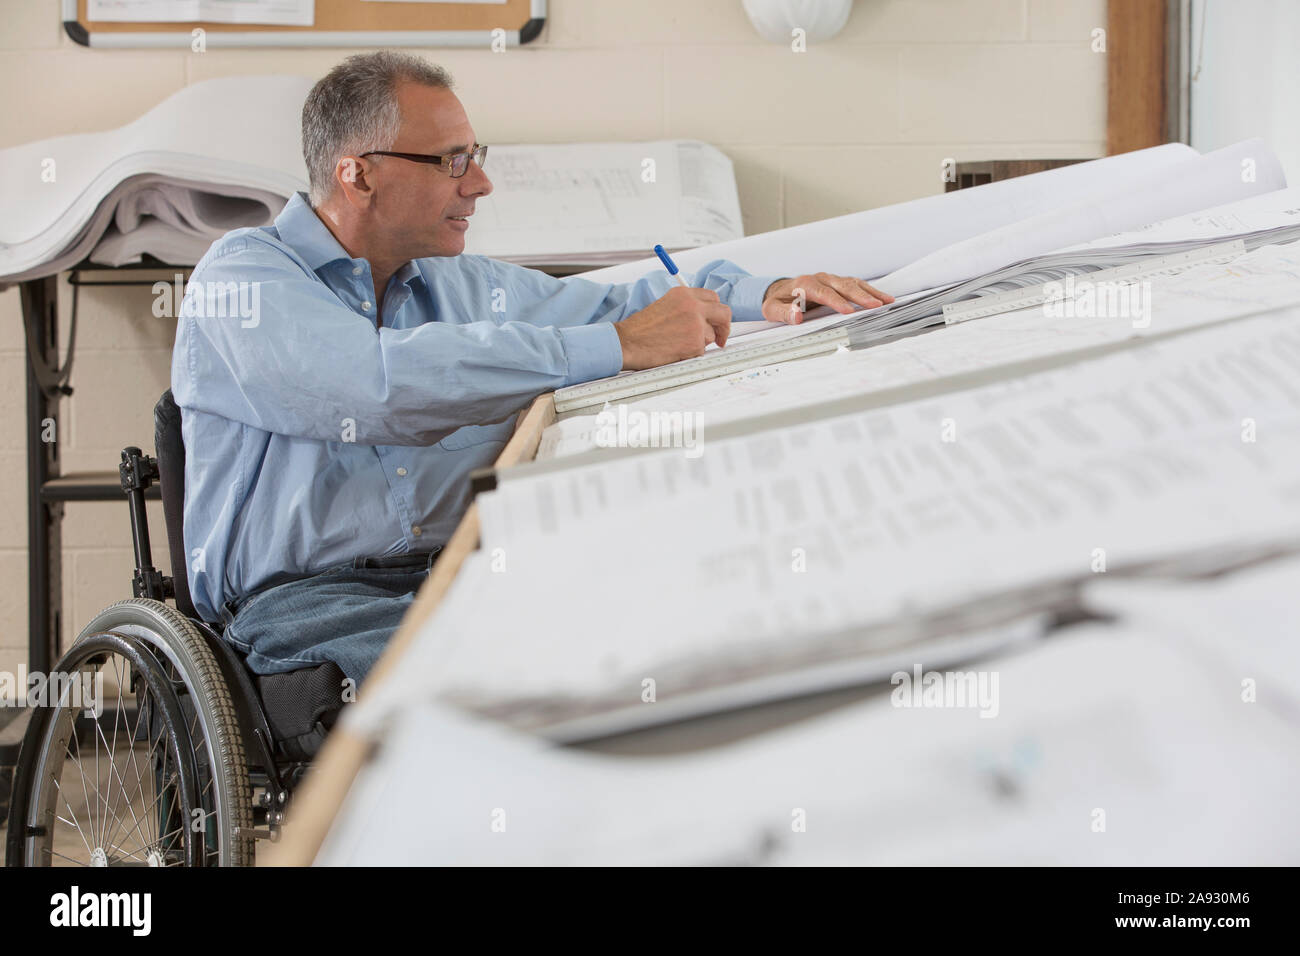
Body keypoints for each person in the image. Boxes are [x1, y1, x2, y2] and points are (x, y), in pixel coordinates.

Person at [171, 51, 893, 684]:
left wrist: (757, 295)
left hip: (461, 571)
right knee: (501, 682)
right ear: (358, 175)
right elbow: (378, 385)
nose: (479, 184)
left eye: (474, 154)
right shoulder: (243, 278)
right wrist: (622, 344)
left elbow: (616, 300)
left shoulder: (459, 283)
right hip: (306, 600)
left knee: (661, 625)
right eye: (451, 160)